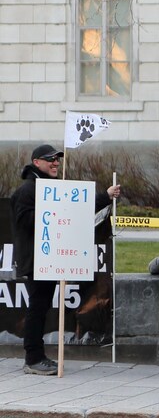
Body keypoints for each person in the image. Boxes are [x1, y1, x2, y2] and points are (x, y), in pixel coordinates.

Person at [11, 144, 121, 375]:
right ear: (36, 162)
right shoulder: (28, 190)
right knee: (37, 308)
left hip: (50, 259)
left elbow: (77, 208)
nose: (55, 163)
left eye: (57, 159)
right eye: (50, 159)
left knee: (41, 308)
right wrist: (54, 212)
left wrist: (106, 196)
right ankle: (33, 359)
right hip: (37, 261)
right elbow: (25, 222)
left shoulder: (51, 187)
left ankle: (36, 357)